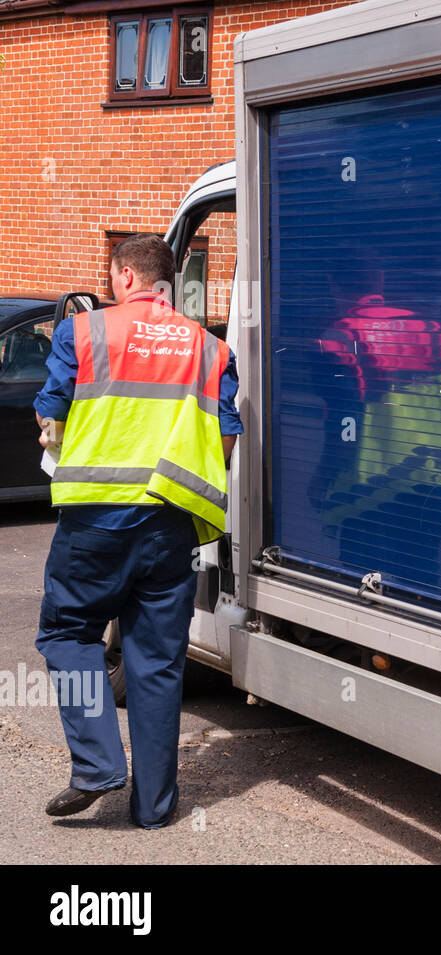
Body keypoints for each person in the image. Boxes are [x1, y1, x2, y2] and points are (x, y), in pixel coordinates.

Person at [32, 233, 242, 829]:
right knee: (156, 663)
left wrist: (57, 437)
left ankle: (98, 764)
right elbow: (225, 438)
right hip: (171, 524)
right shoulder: (210, 348)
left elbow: (52, 412)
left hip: (97, 520)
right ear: (165, 284)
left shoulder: (85, 331)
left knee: (67, 633)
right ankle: (152, 809)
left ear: (125, 277)